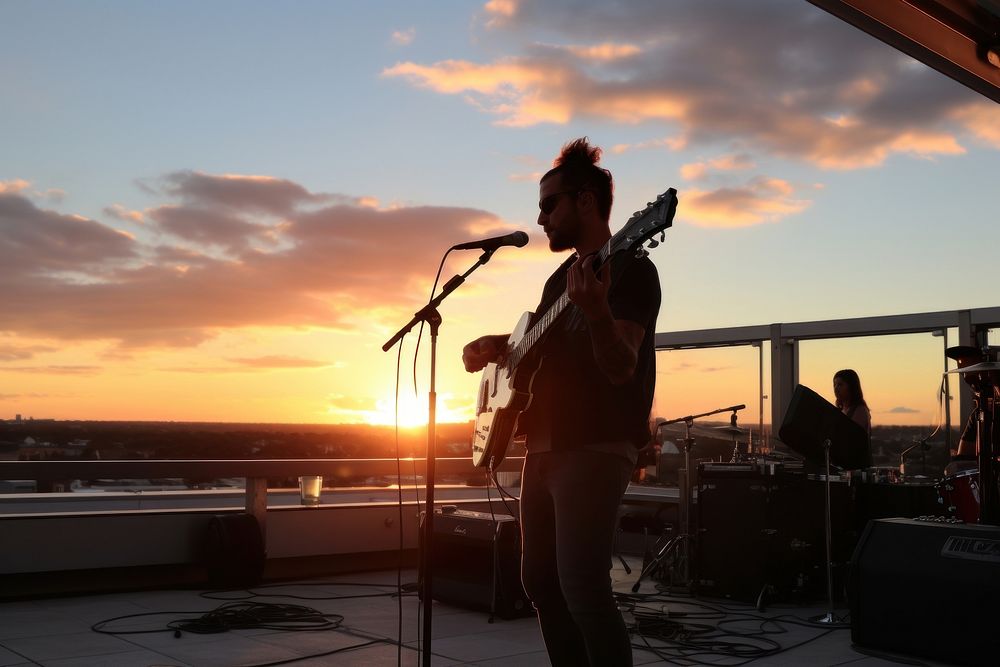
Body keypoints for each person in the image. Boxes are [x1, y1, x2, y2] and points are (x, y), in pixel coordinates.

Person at [462, 138, 660, 666]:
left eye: (550, 205)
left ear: (586, 202)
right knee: (539, 583)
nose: (541, 217)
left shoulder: (632, 270)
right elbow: (535, 347)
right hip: (544, 446)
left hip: (595, 443)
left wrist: (597, 312)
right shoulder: (559, 280)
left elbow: (621, 366)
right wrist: (497, 346)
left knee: (583, 589)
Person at [833, 369, 871, 436]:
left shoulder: (860, 411)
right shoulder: (840, 410)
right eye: (834, 385)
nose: (836, 388)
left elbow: (850, 436)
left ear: (851, 387)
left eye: (840, 384)